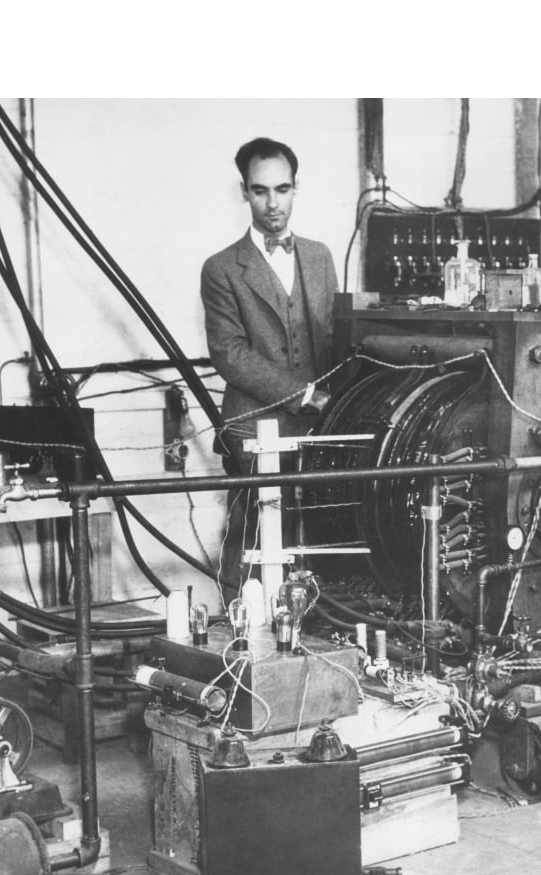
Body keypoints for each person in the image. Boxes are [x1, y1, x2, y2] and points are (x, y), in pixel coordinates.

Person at [201, 137, 338, 604]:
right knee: (254, 531)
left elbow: (330, 337)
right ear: (244, 192)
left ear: (296, 188)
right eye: (260, 191)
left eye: (282, 189)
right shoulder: (221, 268)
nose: (273, 202)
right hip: (253, 423)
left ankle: (313, 625)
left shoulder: (319, 257)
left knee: (317, 528)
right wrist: (303, 394)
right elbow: (230, 354)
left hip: (321, 424)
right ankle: (239, 630)